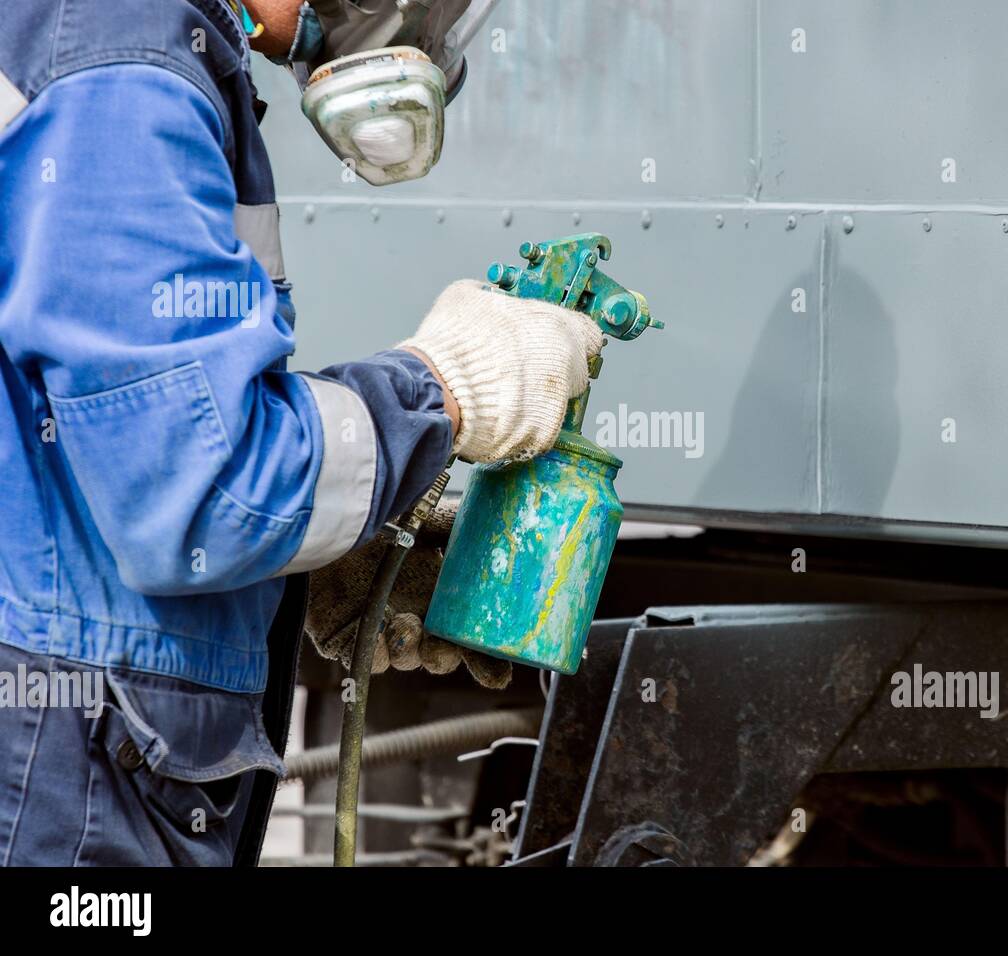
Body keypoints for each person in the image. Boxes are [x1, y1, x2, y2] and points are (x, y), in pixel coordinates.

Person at [0, 0, 598, 865]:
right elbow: (200, 494)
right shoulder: (123, 55)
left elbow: (76, 438)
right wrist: (444, 391)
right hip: (71, 775)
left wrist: (295, 569)